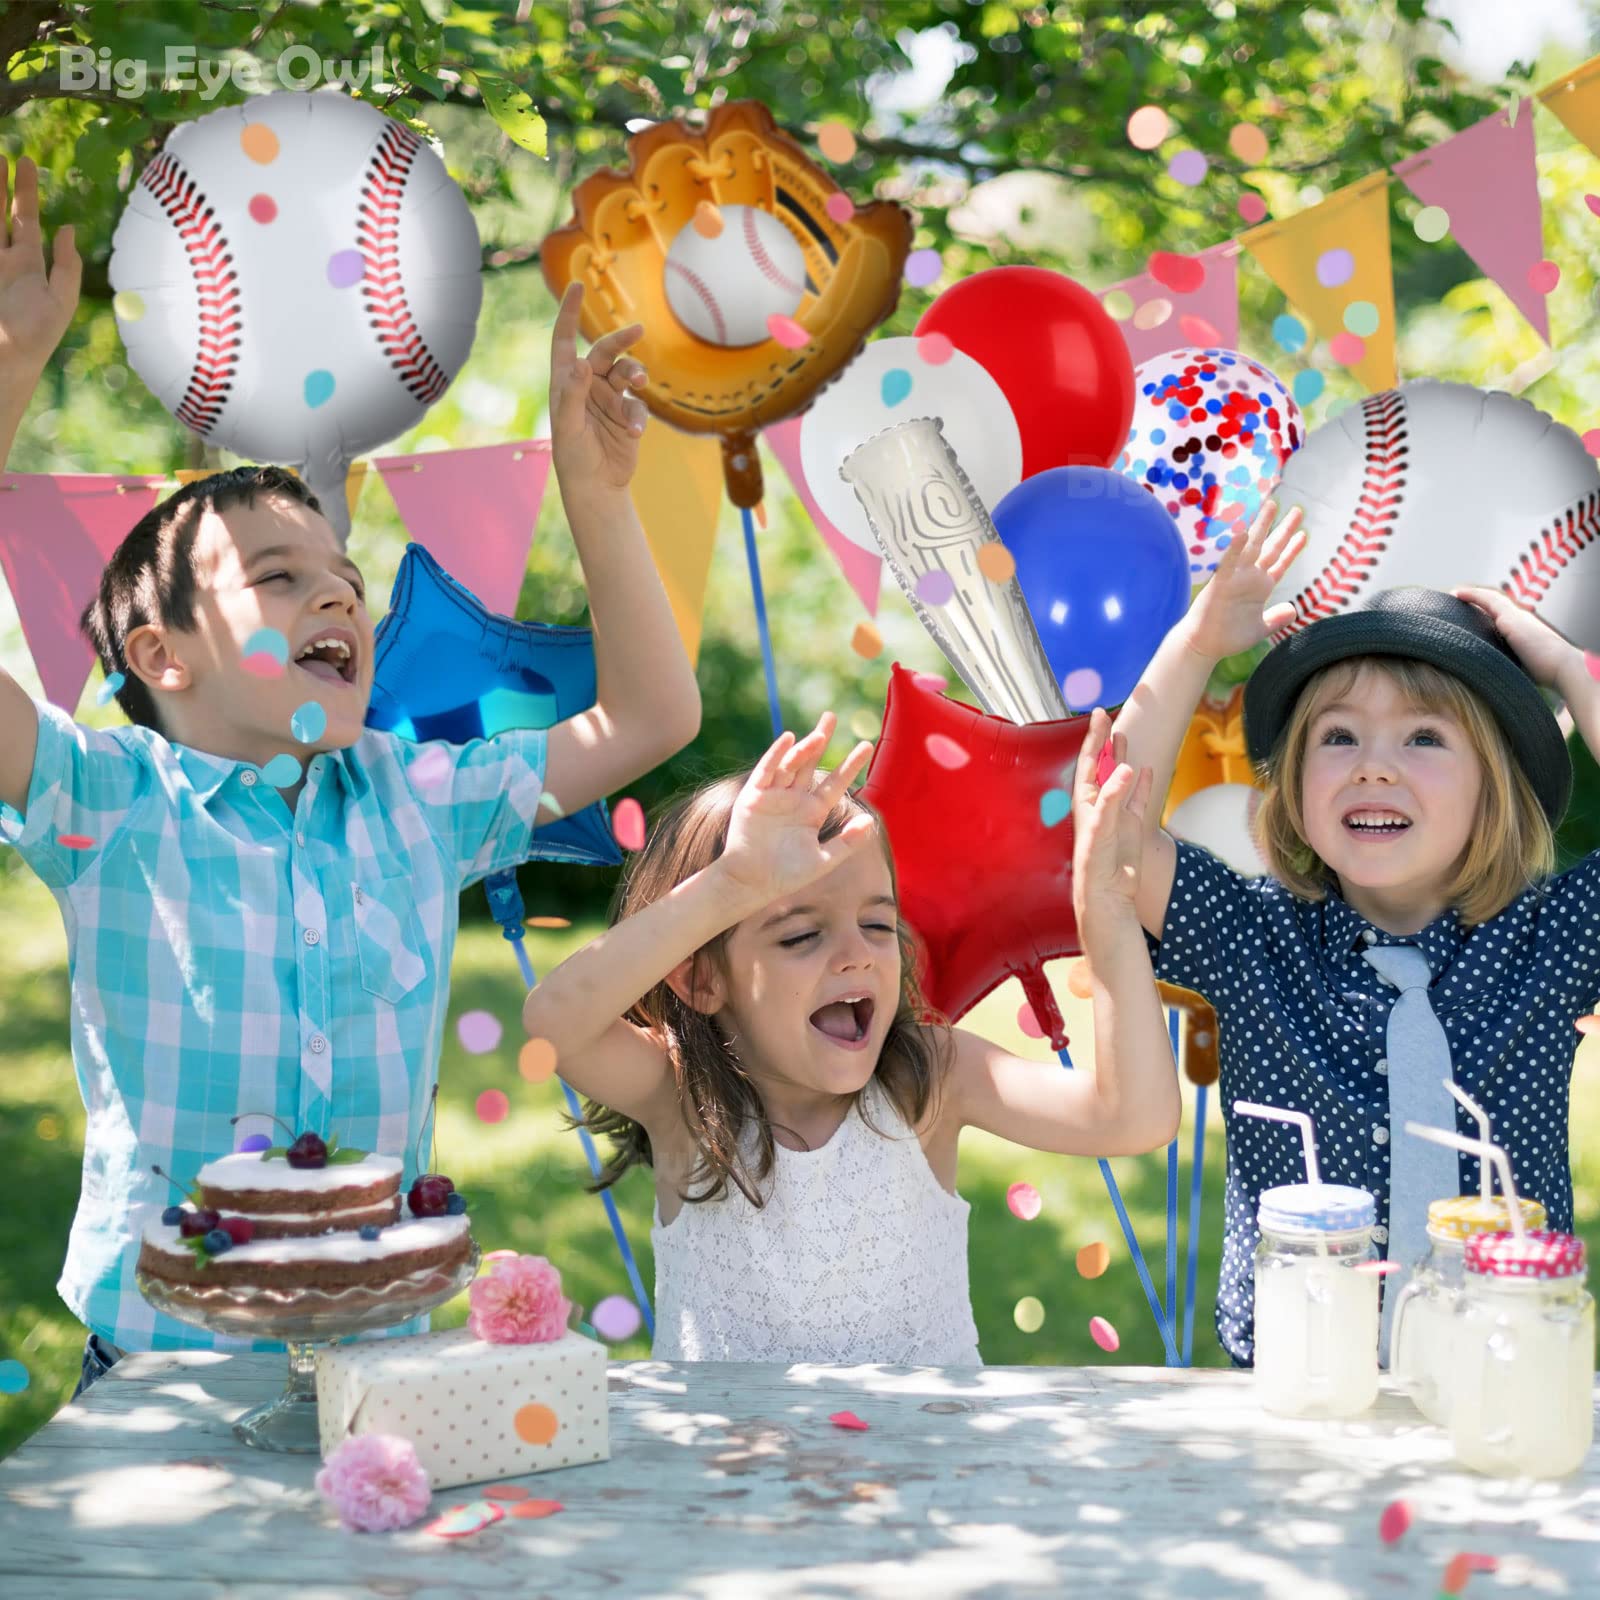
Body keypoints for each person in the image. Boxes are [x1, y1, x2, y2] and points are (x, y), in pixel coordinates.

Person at [0, 155, 701, 1386]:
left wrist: (594, 491)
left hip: (384, 1363)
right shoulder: (107, 802)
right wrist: (8, 374)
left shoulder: (422, 800)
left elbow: (651, 713)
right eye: (275, 576)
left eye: (343, 578)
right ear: (161, 654)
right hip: (163, 1371)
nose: (332, 590)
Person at [521, 707, 1180, 1363]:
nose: (856, 955)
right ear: (700, 982)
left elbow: (1131, 1117)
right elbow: (554, 1026)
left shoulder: (930, 1079)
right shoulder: (681, 1101)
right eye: (801, 934)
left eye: (876, 924)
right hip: (730, 1463)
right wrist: (731, 886)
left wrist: (1109, 915)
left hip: (923, 1463)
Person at [1109, 495, 1598, 1365]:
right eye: (1339, 737)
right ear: (1294, 784)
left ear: (1496, 786)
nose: (1374, 764)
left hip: (1503, 1370)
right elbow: (1109, 826)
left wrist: (1561, 665)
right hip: (1299, 1379)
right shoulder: (1251, 937)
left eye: (1423, 738)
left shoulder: (1548, 940)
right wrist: (1196, 644)